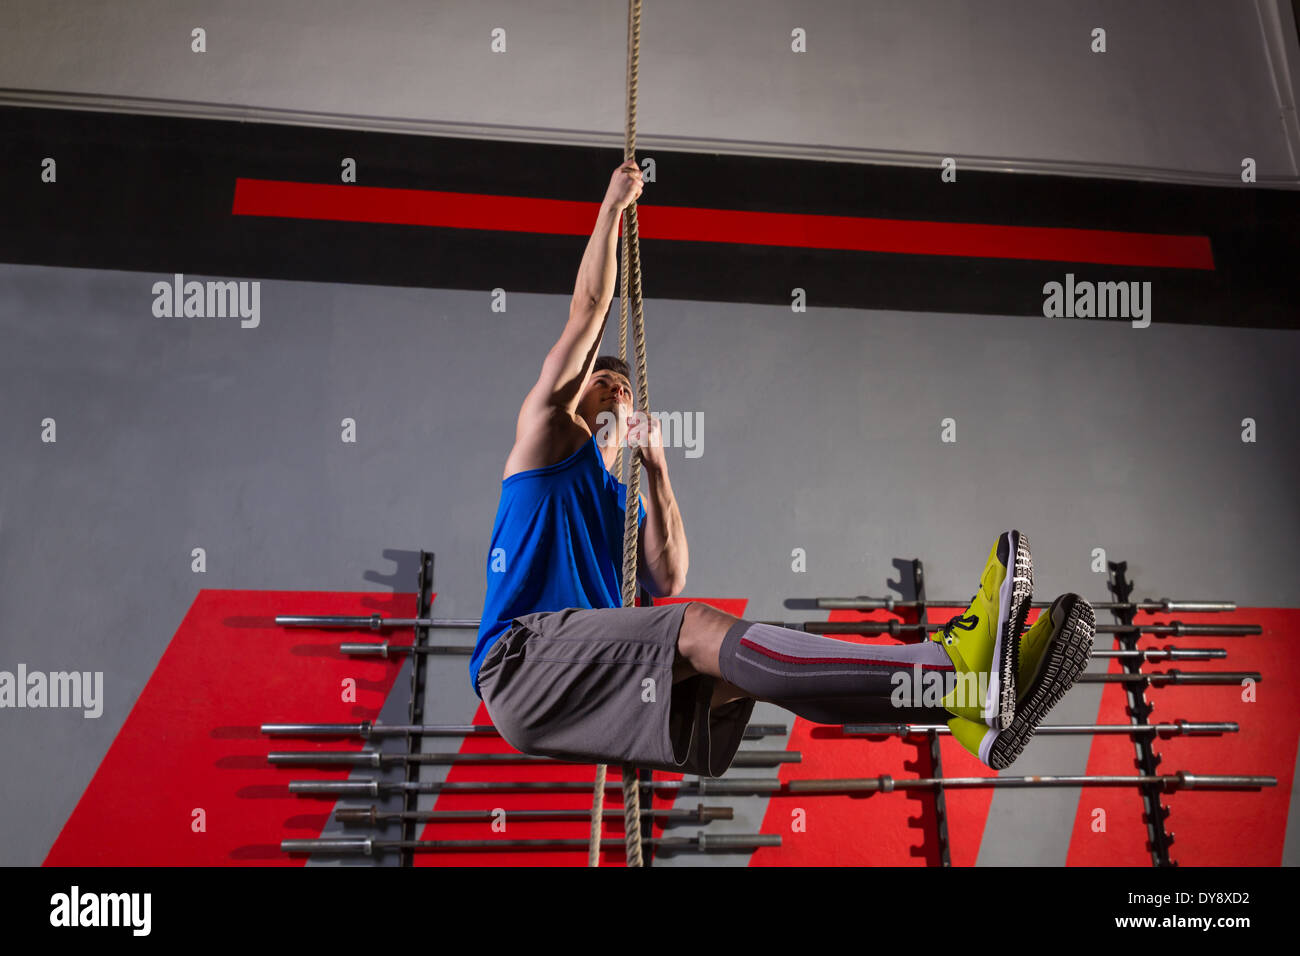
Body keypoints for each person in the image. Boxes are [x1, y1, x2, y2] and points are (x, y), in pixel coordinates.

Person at [470, 161, 1096, 776]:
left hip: (581, 683)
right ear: (577, 393)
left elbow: (667, 577)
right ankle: (951, 669)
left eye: (625, 388)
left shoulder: (619, 497)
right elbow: (587, 311)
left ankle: (962, 708)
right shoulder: (548, 437)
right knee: (699, 628)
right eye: (603, 381)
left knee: (736, 678)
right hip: (521, 663)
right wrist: (611, 208)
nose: (616, 391)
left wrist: (657, 469)